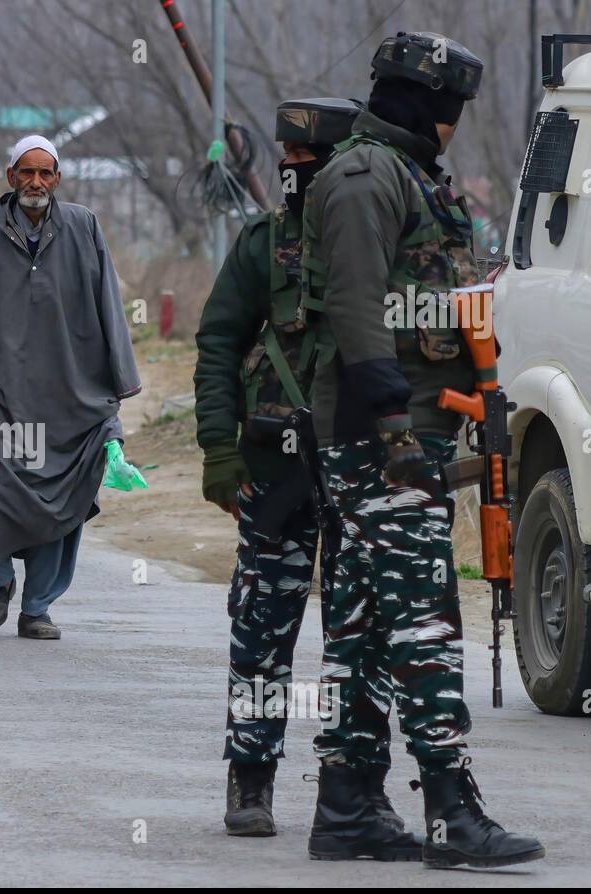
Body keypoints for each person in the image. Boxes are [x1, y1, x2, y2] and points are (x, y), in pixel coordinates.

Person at [300, 31, 543, 866]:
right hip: (382, 440)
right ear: (423, 105)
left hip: (406, 430)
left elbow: (416, 305)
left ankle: (348, 807)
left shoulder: (404, 177)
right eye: (448, 111)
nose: (452, 127)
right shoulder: (367, 177)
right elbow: (358, 311)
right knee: (424, 623)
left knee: (363, 628)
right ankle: (451, 814)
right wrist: (398, 433)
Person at [194, 97, 411, 842]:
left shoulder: (381, 242)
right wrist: (218, 450)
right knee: (262, 627)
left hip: (358, 465)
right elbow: (218, 341)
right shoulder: (262, 245)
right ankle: (250, 779)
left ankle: (350, 789)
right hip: (275, 467)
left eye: (303, 159)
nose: (290, 169)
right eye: (284, 157)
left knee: (358, 635)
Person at [0, 134, 141, 640]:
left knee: (60, 502)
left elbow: (107, 300)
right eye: (27, 172)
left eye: (46, 173)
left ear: (58, 180)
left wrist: (117, 382)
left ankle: (37, 608)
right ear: (10, 178)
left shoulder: (83, 226)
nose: (36, 182)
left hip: (69, 397)